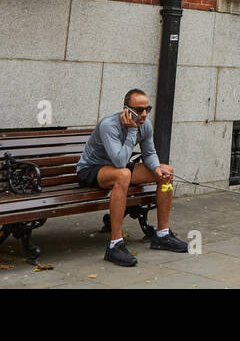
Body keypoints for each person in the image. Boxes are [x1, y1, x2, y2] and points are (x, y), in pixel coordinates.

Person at [76, 88, 189, 266]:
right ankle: (115, 245)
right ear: (126, 109)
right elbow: (120, 162)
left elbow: (150, 153)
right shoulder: (109, 125)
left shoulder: (145, 125)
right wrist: (131, 130)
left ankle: (162, 235)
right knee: (123, 174)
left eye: (147, 109)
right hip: (91, 169)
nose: (144, 114)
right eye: (138, 110)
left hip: (118, 167)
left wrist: (157, 169)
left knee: (167, 172)